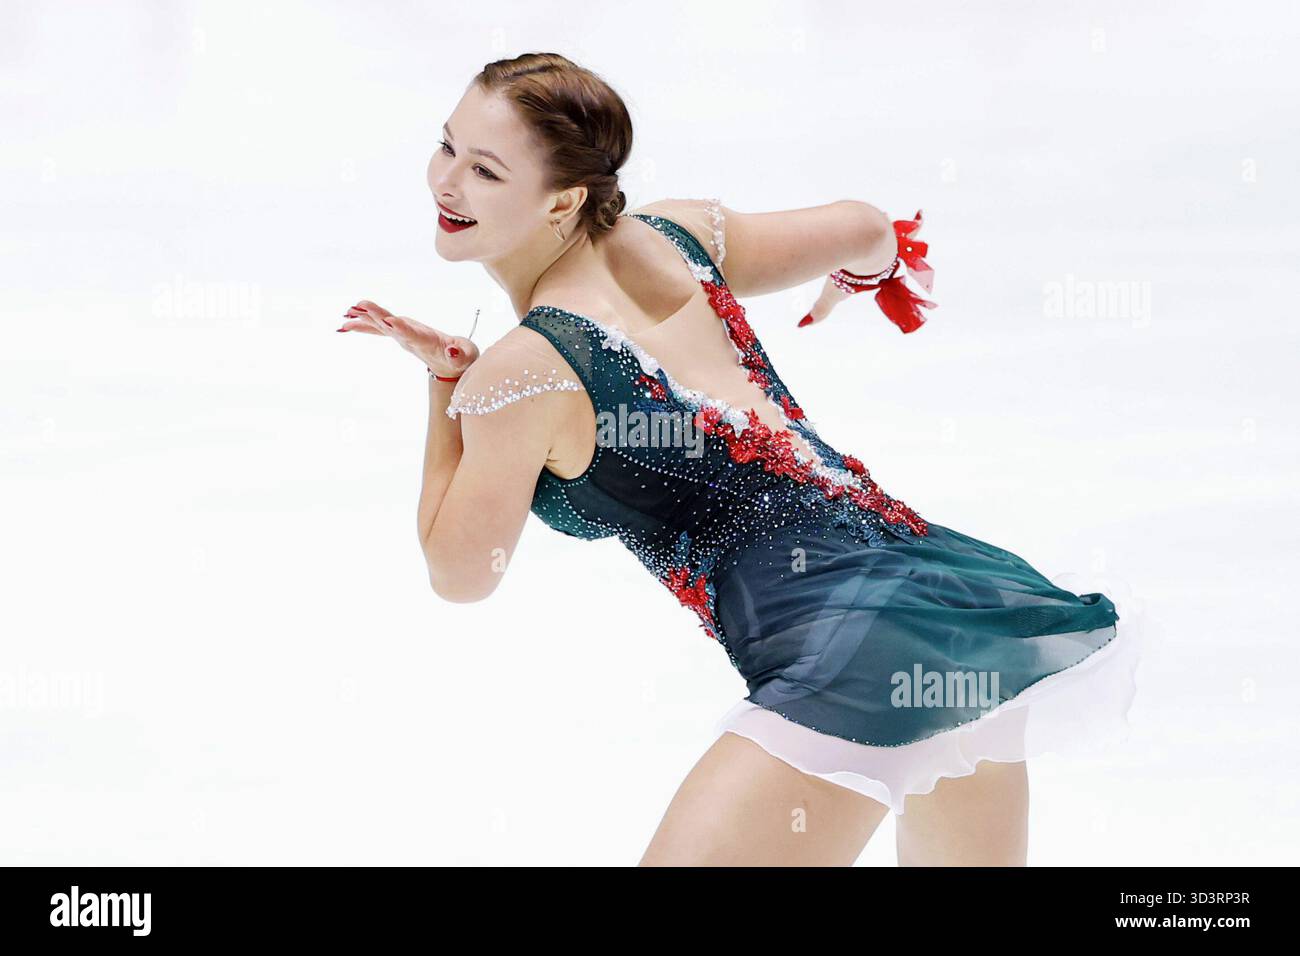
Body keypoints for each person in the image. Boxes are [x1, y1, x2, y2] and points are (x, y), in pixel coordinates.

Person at [338, 52, 1140, 866]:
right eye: (447, 147)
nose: (446, 183)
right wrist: (871, 277)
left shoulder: (528, 366)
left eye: (484, 171)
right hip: (963, 617)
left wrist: (449, 387)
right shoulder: (683, 235)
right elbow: (866, 227)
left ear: (565, 198)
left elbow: (461, 573)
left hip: (844, 664)